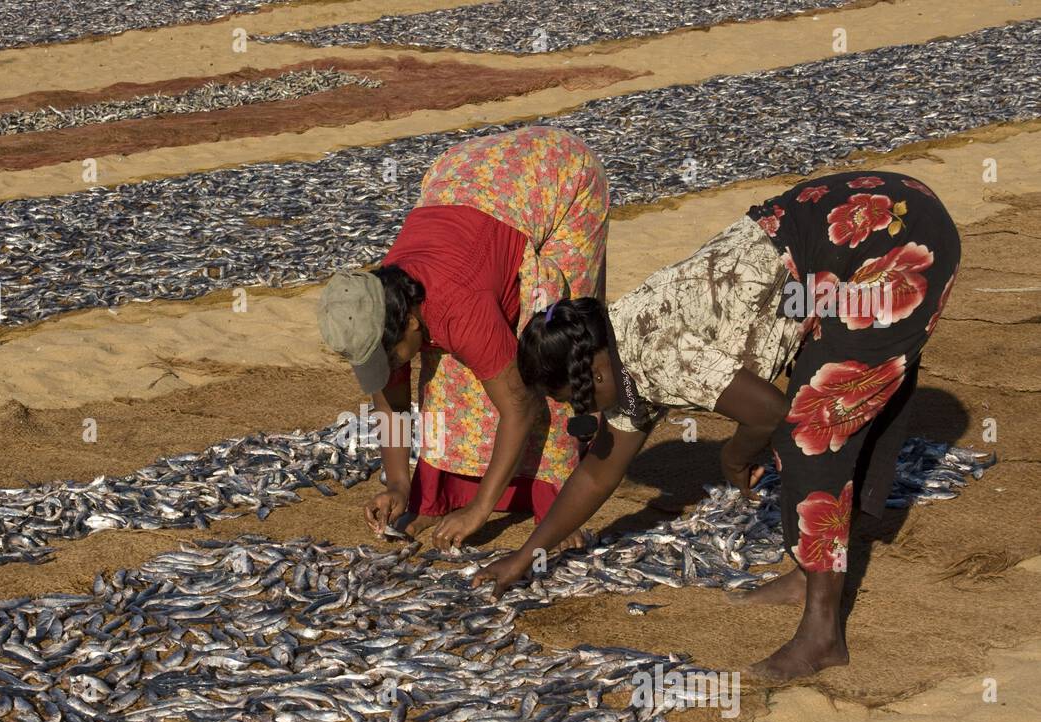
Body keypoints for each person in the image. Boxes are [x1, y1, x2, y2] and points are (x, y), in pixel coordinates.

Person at [476, 170, 961, 681]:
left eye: (574, 399)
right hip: (843, 237)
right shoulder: (613, 346)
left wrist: (734, 456)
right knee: (825, 397)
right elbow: (600, 471)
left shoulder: (658, 354)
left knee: (810, 433)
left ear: (595, 372)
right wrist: (526, 556)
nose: (582, 412)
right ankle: (812, 571)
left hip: (896, 240)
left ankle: (822, 634)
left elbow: (769, 413)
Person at [317, 126, 608, 549]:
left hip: (557, 175)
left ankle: (557, 502)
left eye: (391, 357)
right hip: (464, 178)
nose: (392, 366)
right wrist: (399, 484)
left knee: (551, 341)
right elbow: (391, 400)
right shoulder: (382, 302)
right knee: (452, 369)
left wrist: (478, 512)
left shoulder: (458, 306)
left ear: (412, 324)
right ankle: (444, 491)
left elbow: (520, 405)